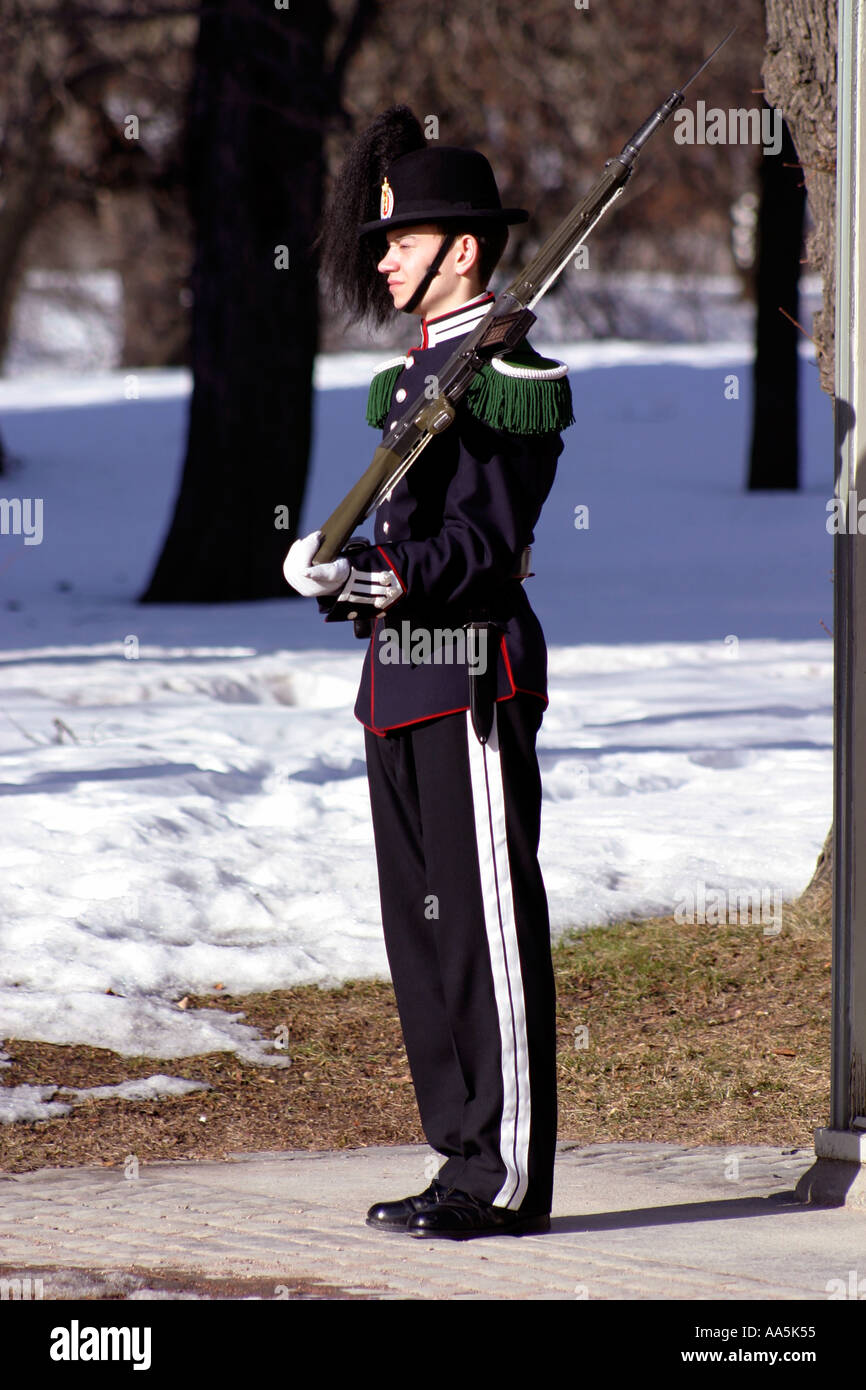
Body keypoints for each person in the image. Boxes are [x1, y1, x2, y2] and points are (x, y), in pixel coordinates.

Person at [284, 107, 573, 1239]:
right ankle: (458, 1159)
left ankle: (505, 1177)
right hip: (398, 681)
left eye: (401, 240)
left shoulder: (508, 373)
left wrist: (384, 573)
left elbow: (483, 545)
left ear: (462, 249)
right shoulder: (419, 374)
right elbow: (410, 539)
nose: (384, 259)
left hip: (467, 679)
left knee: (484, 931)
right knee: (423, 934)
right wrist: (341, 573)